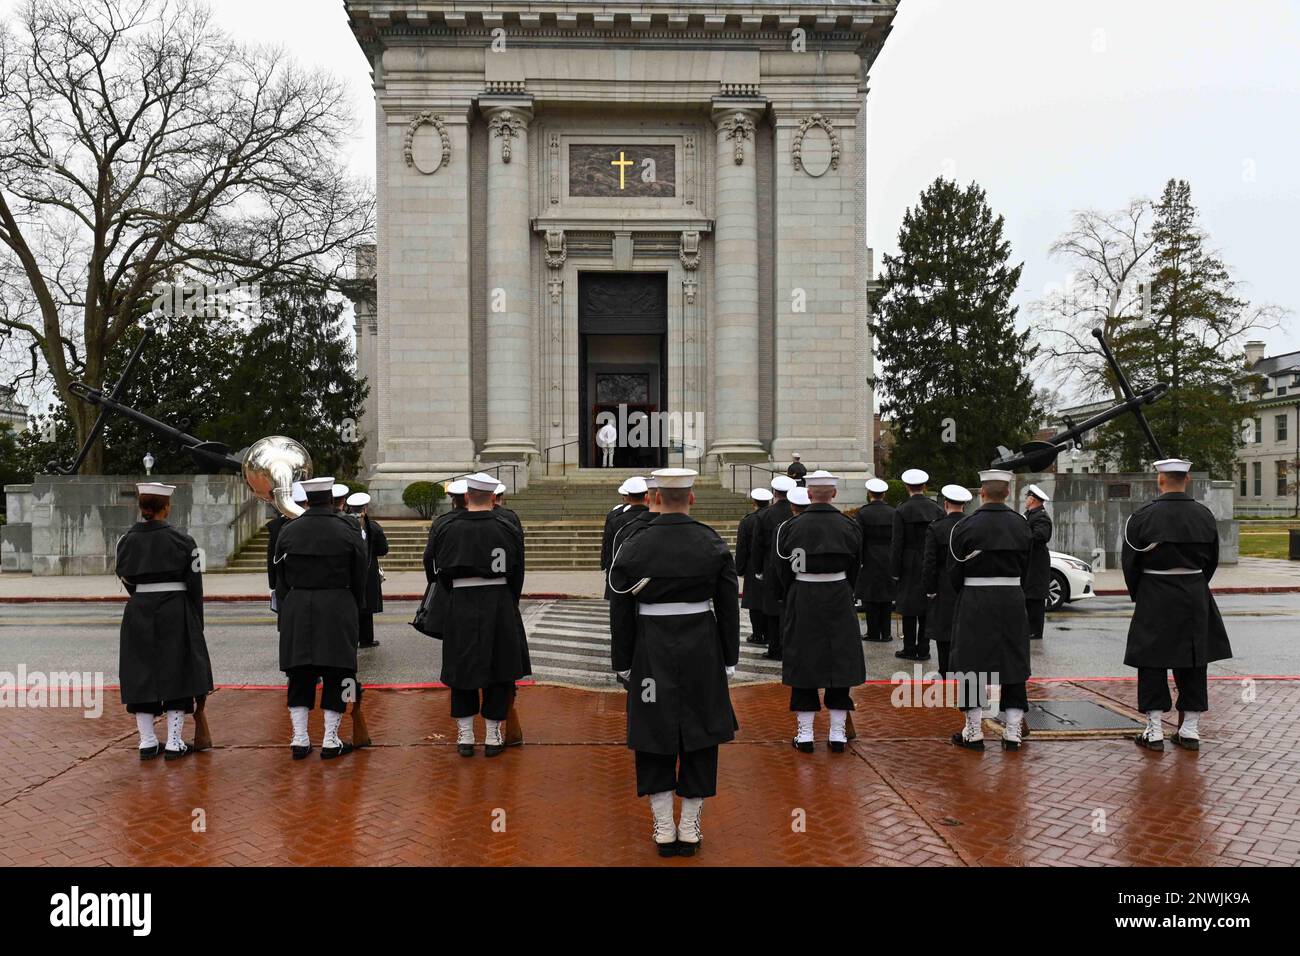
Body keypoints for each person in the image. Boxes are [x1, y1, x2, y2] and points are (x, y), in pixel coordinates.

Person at [608, 468, 739, 858]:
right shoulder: (711, 542)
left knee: (654, 730)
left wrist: (623, 660)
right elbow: (729, 606)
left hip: (650, 646)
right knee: (700, 730)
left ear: (654, 498)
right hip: (702, 645)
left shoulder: (633, 545)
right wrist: (729, 657)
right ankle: (689, 824)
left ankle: (664, 826)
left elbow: (620, 609)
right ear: (692, 499)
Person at [1123, 458, 1233, 752]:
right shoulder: (1204, 515)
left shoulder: (1142, 517)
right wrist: (1193, 583)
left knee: (1151, 661)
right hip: (1194, 593)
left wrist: (1143, 593)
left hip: (1155, 594)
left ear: (1160, 480)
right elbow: (1211, 560)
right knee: (1195, 660)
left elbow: (1130, 566)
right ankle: (1190, 730)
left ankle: (1155, 730)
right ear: (1187, 480)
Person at [430, 473, 530, 758]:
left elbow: (435, 570)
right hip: (499, 601)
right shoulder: (507, 526)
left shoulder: (446, 527)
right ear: (492, 496)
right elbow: (517, 572)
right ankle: (492, 735)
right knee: (499, 669)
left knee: (462, 668)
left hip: (460, 600)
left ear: (466, 495)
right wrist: (507, 599)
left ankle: (465, 734)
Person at [116, 482, 214, 761]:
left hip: (139, 610)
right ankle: (174, 742)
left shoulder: (125, 541)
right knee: (177, 673)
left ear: (141, 507)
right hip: (176, 609)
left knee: (141, 673)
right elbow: (195, 584)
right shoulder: (185, 541)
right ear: (166, 507)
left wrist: (143, 597)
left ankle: (147, 742)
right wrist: (196, 620)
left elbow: (125, 577)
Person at [274, 476, 369, 760]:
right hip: (337, 603)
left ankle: (300, 739)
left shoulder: (289, 530)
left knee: (299, 673)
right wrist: (353, 603)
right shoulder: (348, 528)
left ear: (307, 499)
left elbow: (280, 577)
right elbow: (360, 572)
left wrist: (289, 604)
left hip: (298, 604)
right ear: (330, 498)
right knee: (337, 673)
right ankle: (330, 739)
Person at [771, 471, 864, 754]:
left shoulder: (790, 527)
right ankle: (837, 734)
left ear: (809, 494)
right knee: (840, 660)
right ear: (833, 494)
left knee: (803, 661)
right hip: (838, 595)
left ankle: (806, 733)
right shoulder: (850, 526)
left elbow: (781, 571)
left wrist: (794, 592)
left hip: (803, 597)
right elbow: (856, 567)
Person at [947, 470, 1033, 752]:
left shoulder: (965, 526)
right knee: (1013, 662)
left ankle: (973, 731)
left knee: (972, 662)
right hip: (1011, 597)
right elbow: (1027, 568)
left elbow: (954, 573)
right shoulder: (1022, 525)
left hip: (975, 598)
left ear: (981, 492)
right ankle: (1012, 732)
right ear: (1007, 493)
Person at [891, 468, 944, 662]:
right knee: (926, 606)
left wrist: (894, 570)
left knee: (908, 608)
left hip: (908, 562)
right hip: (930, 560)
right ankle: (924, 648)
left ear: (907, 487)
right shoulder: (936, 509)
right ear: (924, 486)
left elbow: (897, 543)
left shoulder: (902, 509)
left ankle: (909, 648)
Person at [922, 484, 973, 675]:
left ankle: (945, 671)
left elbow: (930, 562)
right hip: (967, 584)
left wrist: (930, 588)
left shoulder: (936, 527)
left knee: (944, 631)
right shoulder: (971, 525)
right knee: (965, 631)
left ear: (945, 504)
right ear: (964, 505)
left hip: (944, 584)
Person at [753, 474, 797, 661]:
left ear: (774, 493)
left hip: (770, 565)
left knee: (772, 610)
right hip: (793, 563)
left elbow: (757, 545)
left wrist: (758, 570)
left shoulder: (763, 515)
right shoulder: (795, 513)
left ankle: (775, 648)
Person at [420, 479, 468, 639]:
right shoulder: (485, 520)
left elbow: (428, 556)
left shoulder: (441, 522)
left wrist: (433, 580)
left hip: (447, 584)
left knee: (450, 634)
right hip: (476, 587)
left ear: (453, 499)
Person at [855, 478, 897, 643]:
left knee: (871, 597)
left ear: (869, 494)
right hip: (888, 556)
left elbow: (859, 539)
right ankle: (886, 633)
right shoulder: (893, 512)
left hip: (869, 556)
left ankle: (873, 632)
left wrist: (860, 559)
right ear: (884, 494)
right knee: (886, 596)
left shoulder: (863, 513)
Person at [347, 492, 388, 649]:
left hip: (349, 570)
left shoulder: (343, 524)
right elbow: (383, 549)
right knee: (366, 606)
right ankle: (366, 638)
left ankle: (352, 637)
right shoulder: (374, 527)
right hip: (368, 570)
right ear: (365, 507)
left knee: (351, 605)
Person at [734, 487, 773, 645]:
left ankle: (758, 633)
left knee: (755, 602)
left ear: (754, 502)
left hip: (753, 564)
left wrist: (740, 568)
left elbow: (741, 547)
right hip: (770, 563)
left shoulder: (748, 520)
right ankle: (770, 633)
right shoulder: (771, 517)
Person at [603, 477, 652, 600]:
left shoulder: (616, 519)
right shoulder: (657, 517)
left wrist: (607, 569)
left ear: (627, 497)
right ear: (648, 496)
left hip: (622, 575)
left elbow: (609, 547)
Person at [267, 482, 306, 613]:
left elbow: (272, 557)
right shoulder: (312, 522)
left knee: (286, 625)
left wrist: (272, 584)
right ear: (306, 502)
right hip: (305, 583)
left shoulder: (276, 525)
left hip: (283, 583)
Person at [1023, 484, 1053, 641]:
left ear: (1033, 499)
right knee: (1029, 597)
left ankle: (1035, 631)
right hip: (1031, 562)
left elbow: (1041, 536)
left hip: (1036, 564)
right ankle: (1029, 629)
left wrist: (1023, 536)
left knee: (1035, 599)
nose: (1025, 500)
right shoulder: (1030, 514)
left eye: (1027, 497)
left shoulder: (1040, 516)